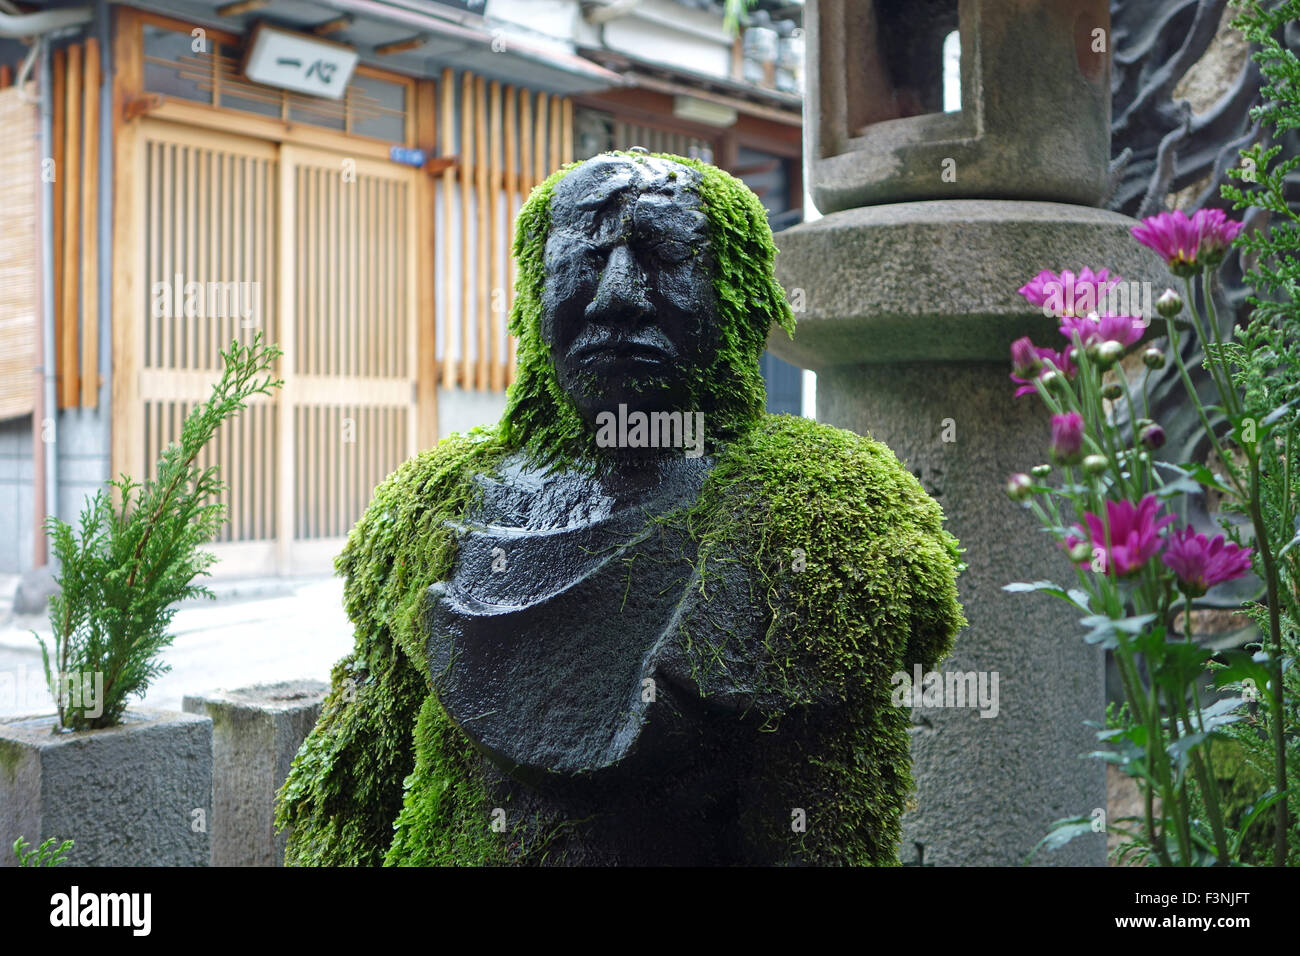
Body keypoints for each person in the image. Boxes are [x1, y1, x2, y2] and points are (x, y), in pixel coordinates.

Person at [278, 151, 966, 865]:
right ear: (534, 289)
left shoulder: (818, 517)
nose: (618, 294)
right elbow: (356, 786)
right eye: (586, 254)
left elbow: (827, 834)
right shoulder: (432, 504)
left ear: (738, 300)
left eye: (666, 255)